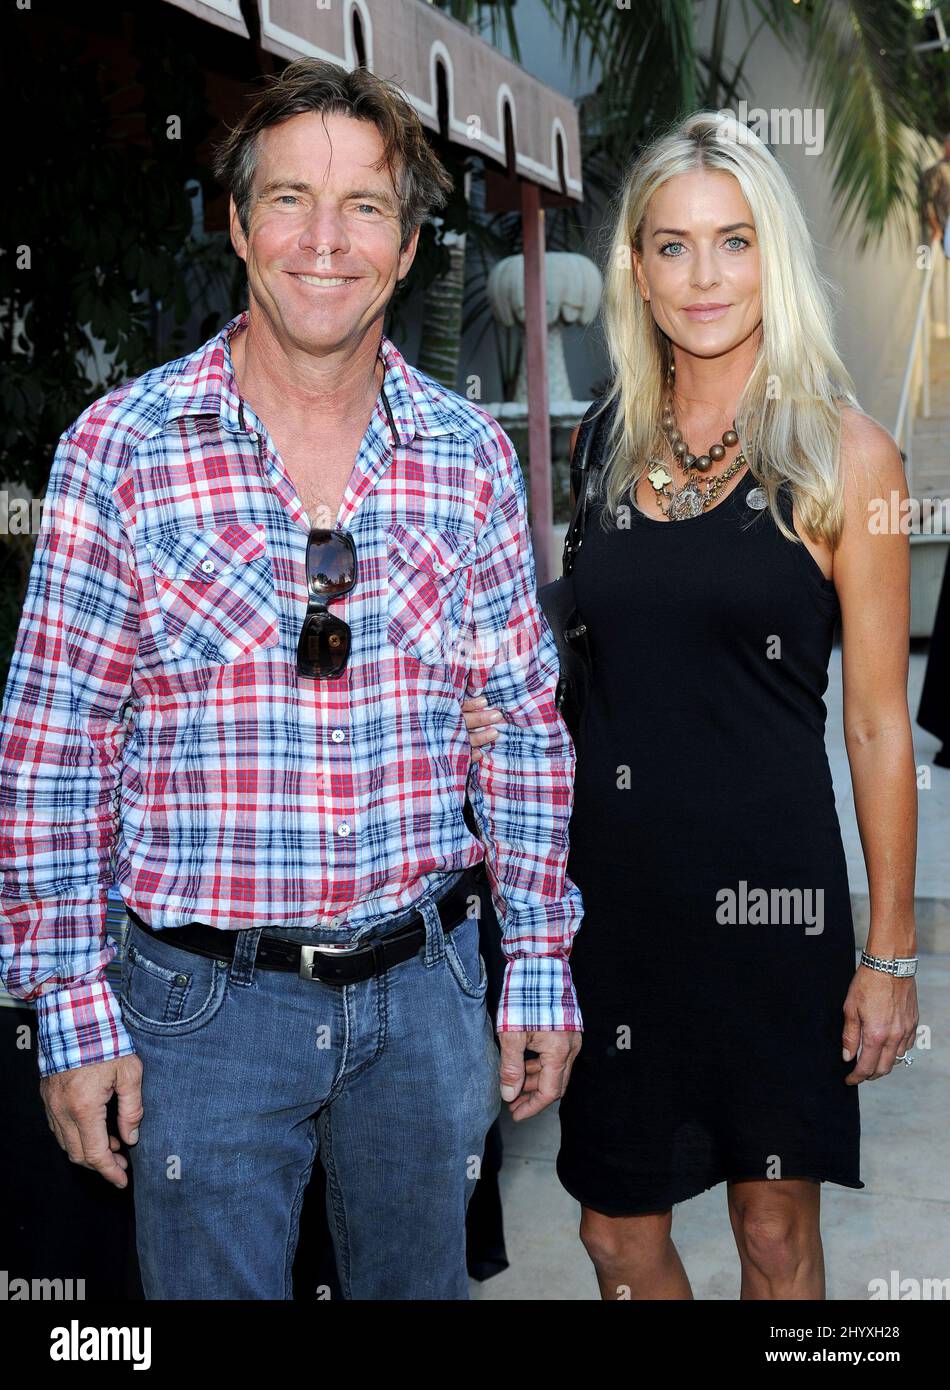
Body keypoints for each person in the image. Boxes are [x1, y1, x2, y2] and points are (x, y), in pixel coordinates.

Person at [0, 58, 585, 1300]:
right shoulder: (121, 451)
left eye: (365, 206)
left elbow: (521, 732)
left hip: (426, 999)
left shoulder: (468, 460)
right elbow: (54, 745)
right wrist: (67, 1003)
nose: (325, 240)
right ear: (235, 222)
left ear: (411, 243)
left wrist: (535, 953)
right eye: (288, 200)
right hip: (196, 1016)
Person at [464, 110, 920, 1300]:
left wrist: (886, 952)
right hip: (612, 903)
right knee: (615, 1238)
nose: (702, 277)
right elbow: (602, 644)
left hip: (772, 912)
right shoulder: (610, 440)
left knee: (774, 1240)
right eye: (670, 246)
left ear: (772, 256)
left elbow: (875, 725)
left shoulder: (844, 457)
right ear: (636, 269)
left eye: (732, 243)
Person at [920, 131, 950, 255]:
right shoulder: (938, 170)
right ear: (947, 146)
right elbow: (927, 201)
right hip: (943, 232)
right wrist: (935, 227)